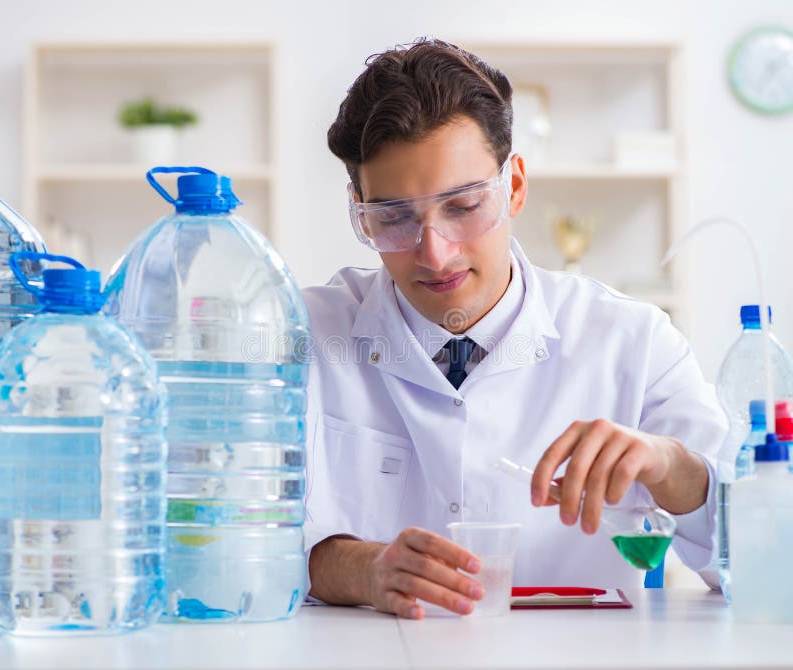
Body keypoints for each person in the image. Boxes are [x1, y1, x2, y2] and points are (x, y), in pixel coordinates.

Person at [302, 38, 725, 620]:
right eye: (394, 217)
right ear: (361, 212)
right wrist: (361, 568)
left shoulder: (634, 342)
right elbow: (227, 543)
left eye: (462, 206)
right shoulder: (300, 336)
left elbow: (758, 560)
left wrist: (673, 468)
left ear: (515, 187)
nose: (435, 253)